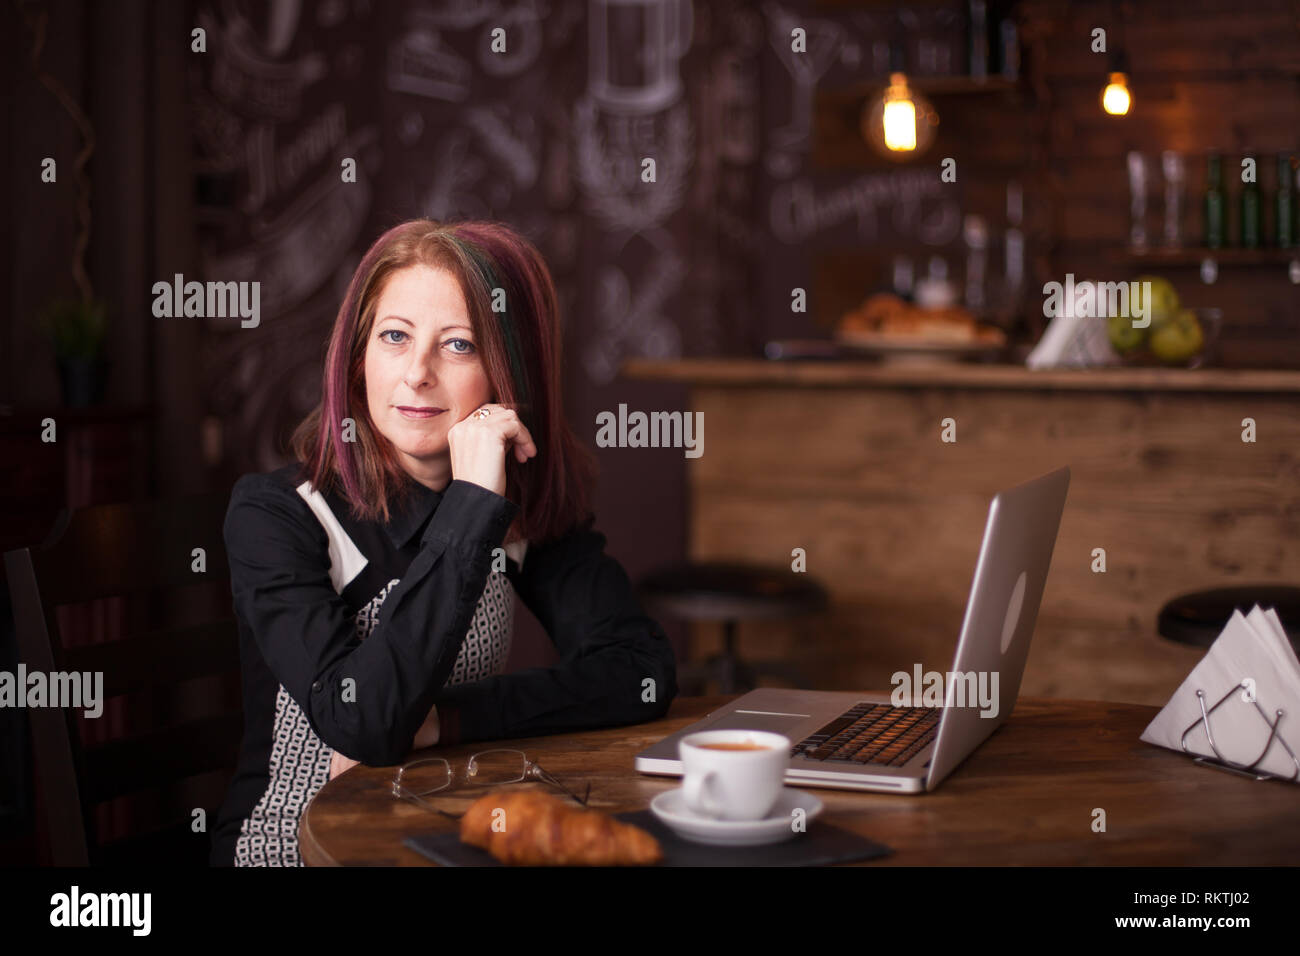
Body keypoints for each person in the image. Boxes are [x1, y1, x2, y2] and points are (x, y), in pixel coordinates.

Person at [210, 219, 678, 866]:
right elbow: (365, 723)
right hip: (295, 848)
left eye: (458, 346)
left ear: (509, 372)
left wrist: (446, 720)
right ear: (357, 357)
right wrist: (471, 506)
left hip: (434, 841)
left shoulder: (516, 508)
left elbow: (640, 672)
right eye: (395, 337)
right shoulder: (278, 515)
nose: (418, 374)